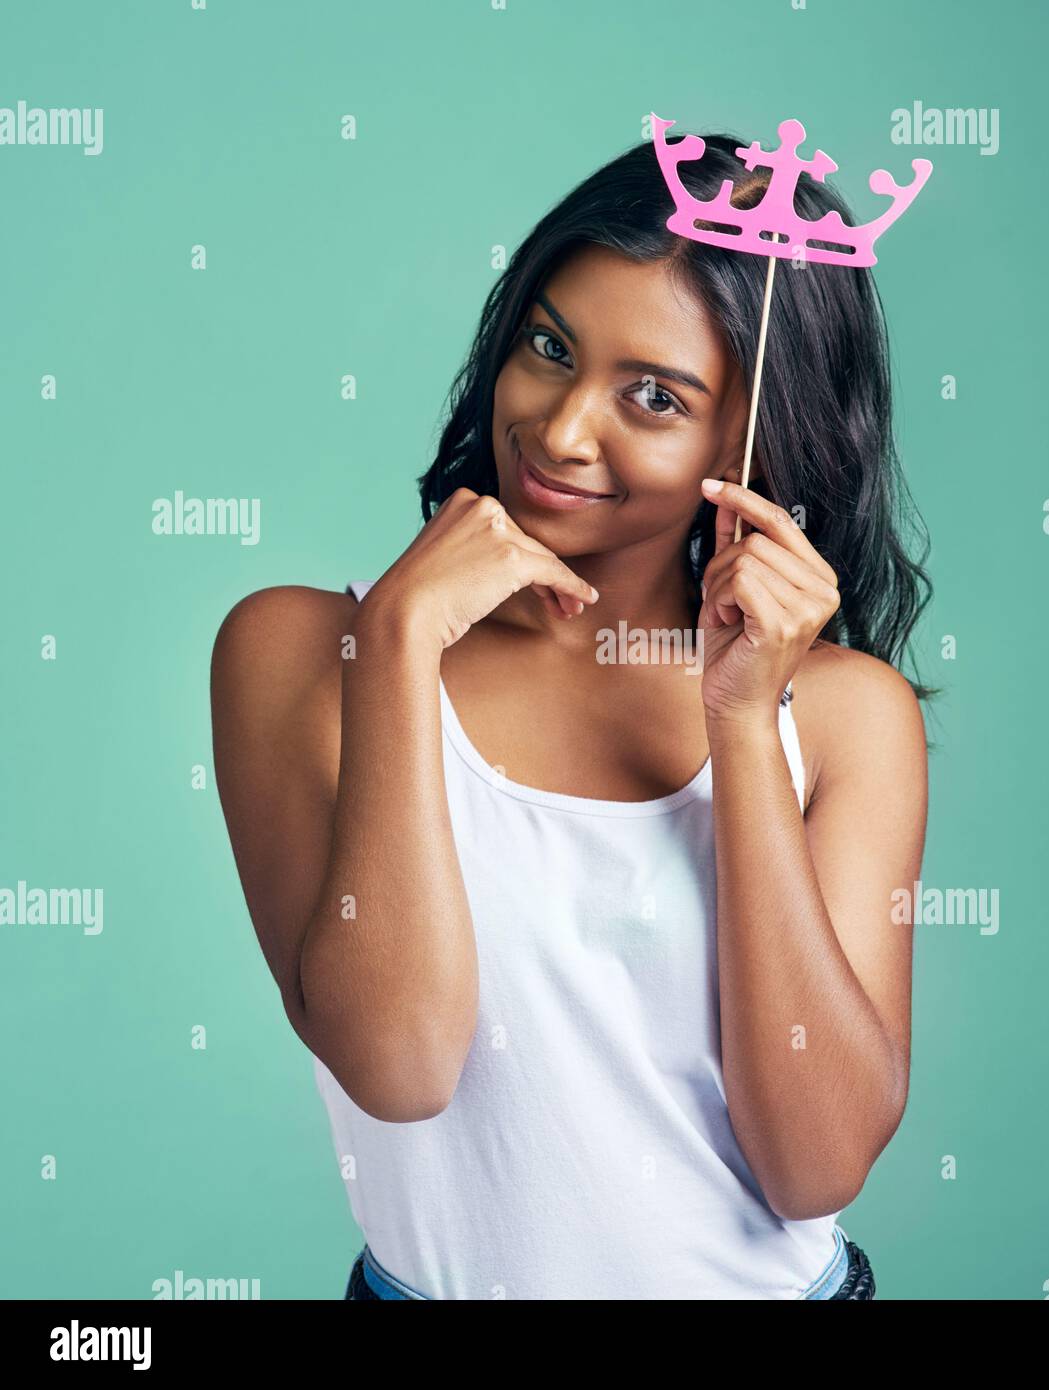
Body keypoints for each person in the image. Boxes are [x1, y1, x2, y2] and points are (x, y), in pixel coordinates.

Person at [210, 125, 933, 1300]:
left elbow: (814, 1163)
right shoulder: (296, 650)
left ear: (747, 438)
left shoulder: (847, 721)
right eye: (550, 347)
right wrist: (396, 642)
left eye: (653, 395)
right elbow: (397, 1065)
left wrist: (742, 724)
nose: (558, 430)